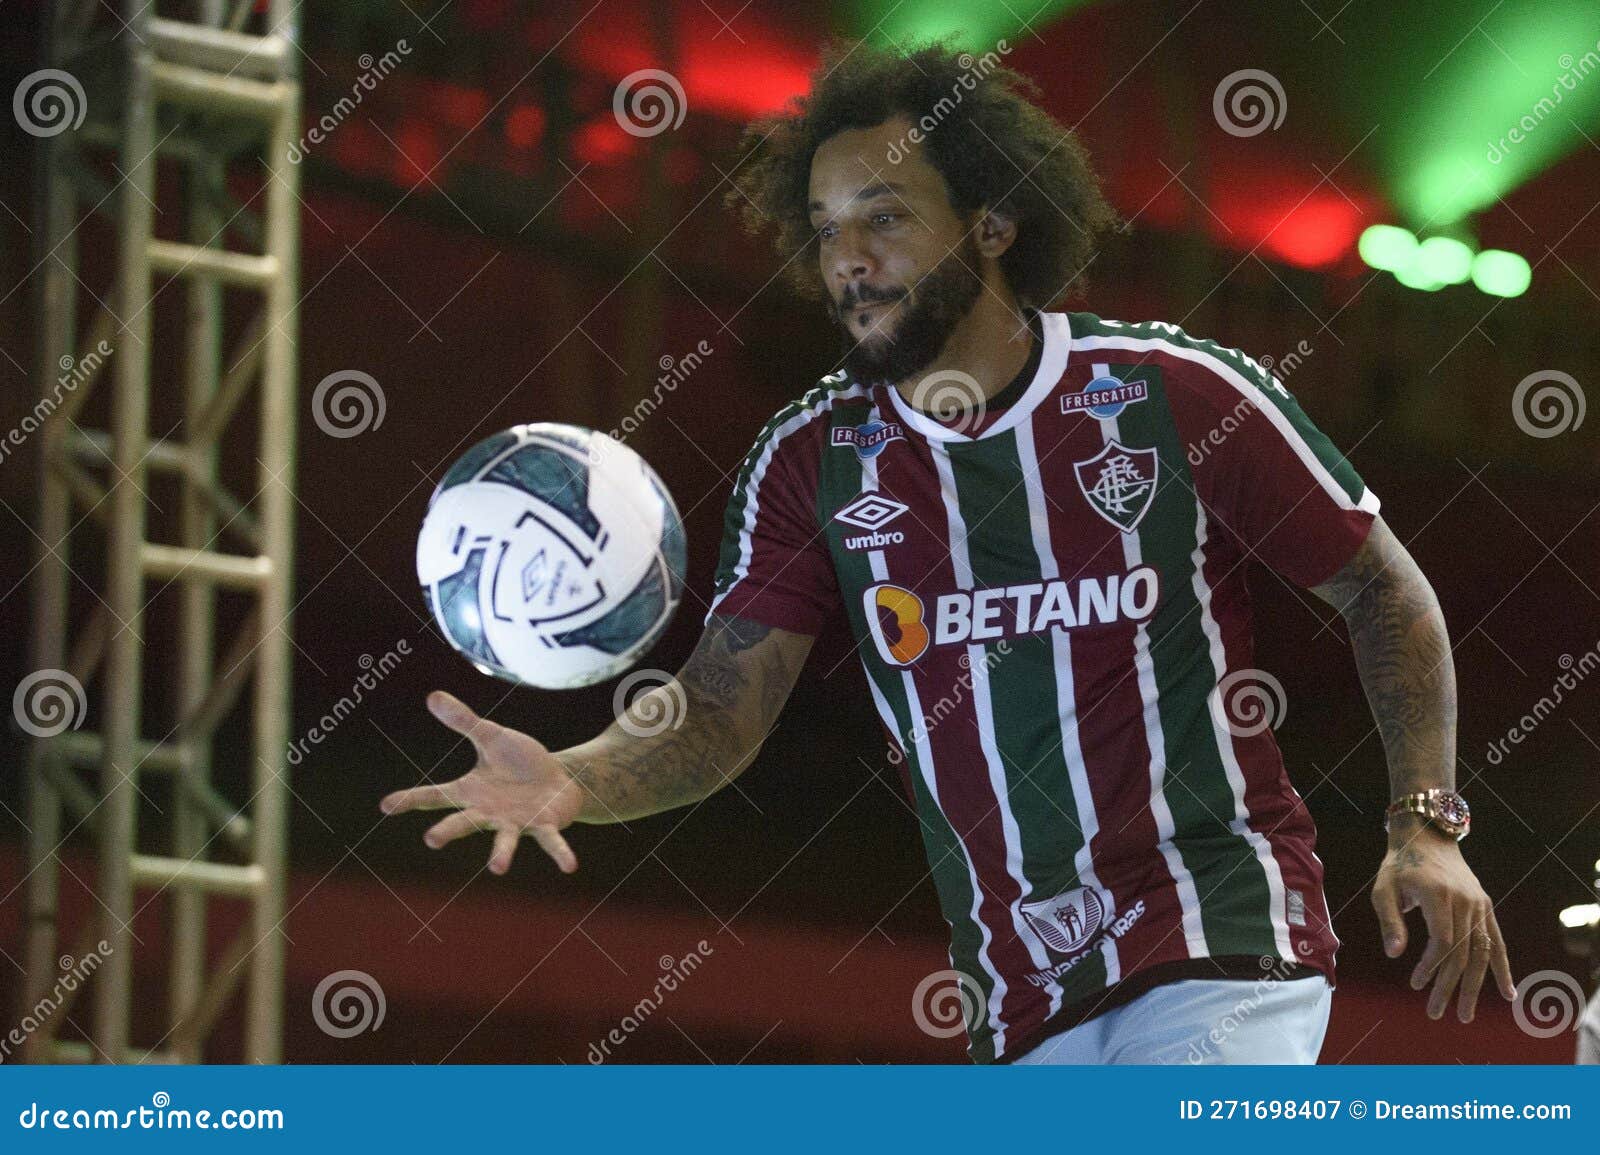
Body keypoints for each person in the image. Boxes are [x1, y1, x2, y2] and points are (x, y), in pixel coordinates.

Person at [381, 40, 1515, 1064]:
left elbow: (1378, 588)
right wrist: (576, 777)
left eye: (884, 217)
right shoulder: (810, 459)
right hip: (1021, 998)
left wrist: (1426, 824)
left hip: (1222, 942)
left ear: (990, 220)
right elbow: (721, 713)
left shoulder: (1171, 395)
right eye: (825, 229)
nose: (849, 260)